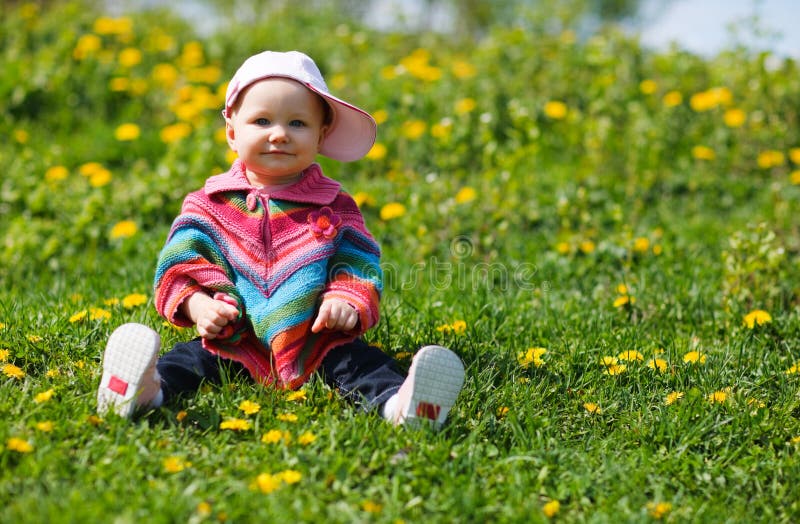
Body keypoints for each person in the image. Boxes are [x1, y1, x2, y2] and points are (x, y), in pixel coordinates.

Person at [96, 50, 464, 429]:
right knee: (189, 361)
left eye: (297, 123)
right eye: (262, 120)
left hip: (315, 339)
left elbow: (357, 262)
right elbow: (179, 267)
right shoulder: (210, 205)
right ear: (232, 131)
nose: (279, 134)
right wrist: (199, 307)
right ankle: (145, 391)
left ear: (321, 135)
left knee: (359, 364)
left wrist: (345, 300)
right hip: (233, 338)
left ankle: (403, 407)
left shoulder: (335, 205)